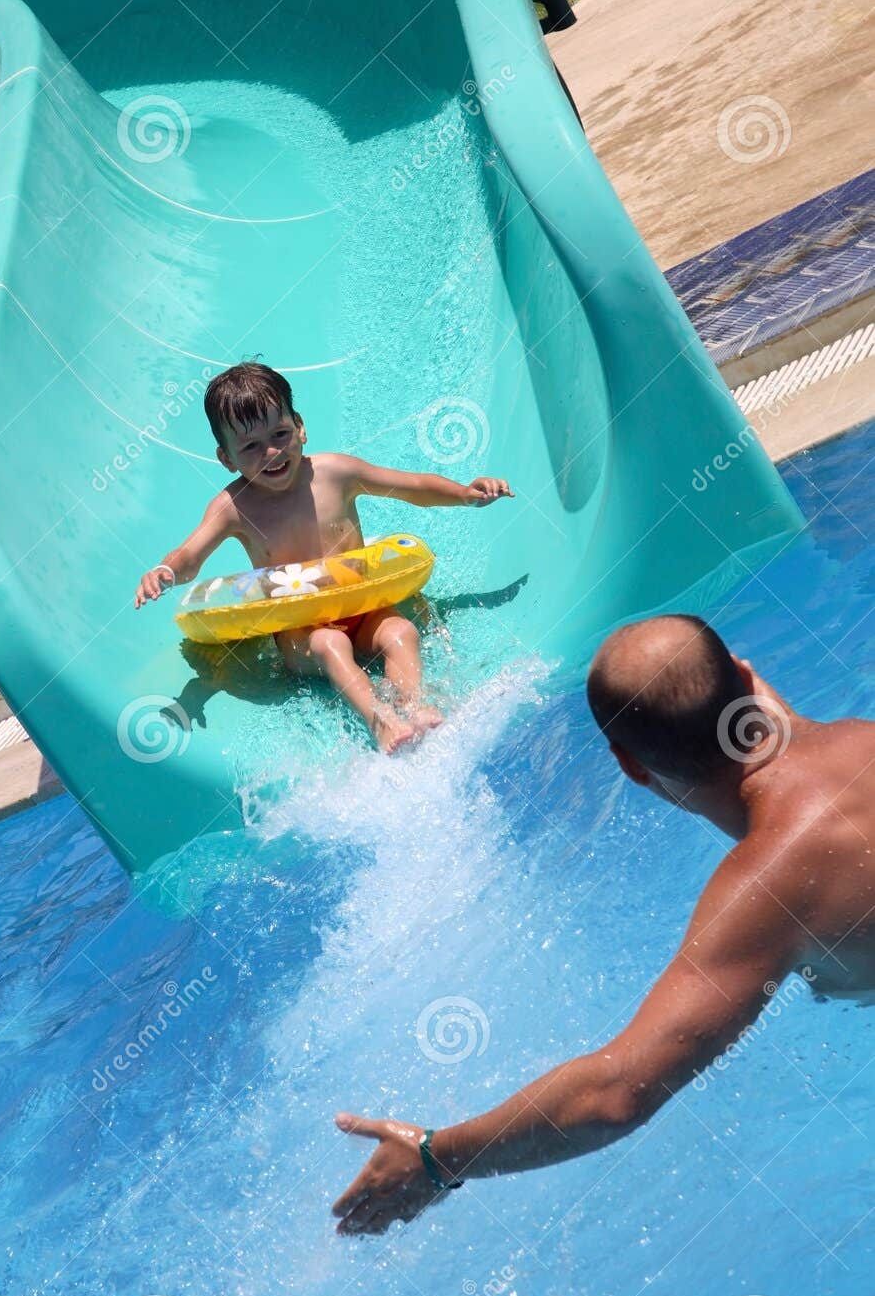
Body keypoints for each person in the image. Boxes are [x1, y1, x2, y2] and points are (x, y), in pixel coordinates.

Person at [332, 612, 875, 1233]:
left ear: (630, 766)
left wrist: (435, 1157)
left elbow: (614, 1095)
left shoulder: (769, 892)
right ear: (751, 679)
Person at [135, 362, 513, 752]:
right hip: (301, 632)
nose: (271, 452)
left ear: (300, 427)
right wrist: (165, 571)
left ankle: (415, 706)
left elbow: (411, 487)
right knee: (332, 645)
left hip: (362, 609)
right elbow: (190, 555)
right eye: (250, 447)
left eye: (280, 434)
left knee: (402, 632)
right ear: (226, 458)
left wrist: (465, 495)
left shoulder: (336, 473)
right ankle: (381, 722)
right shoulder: (233, 507)